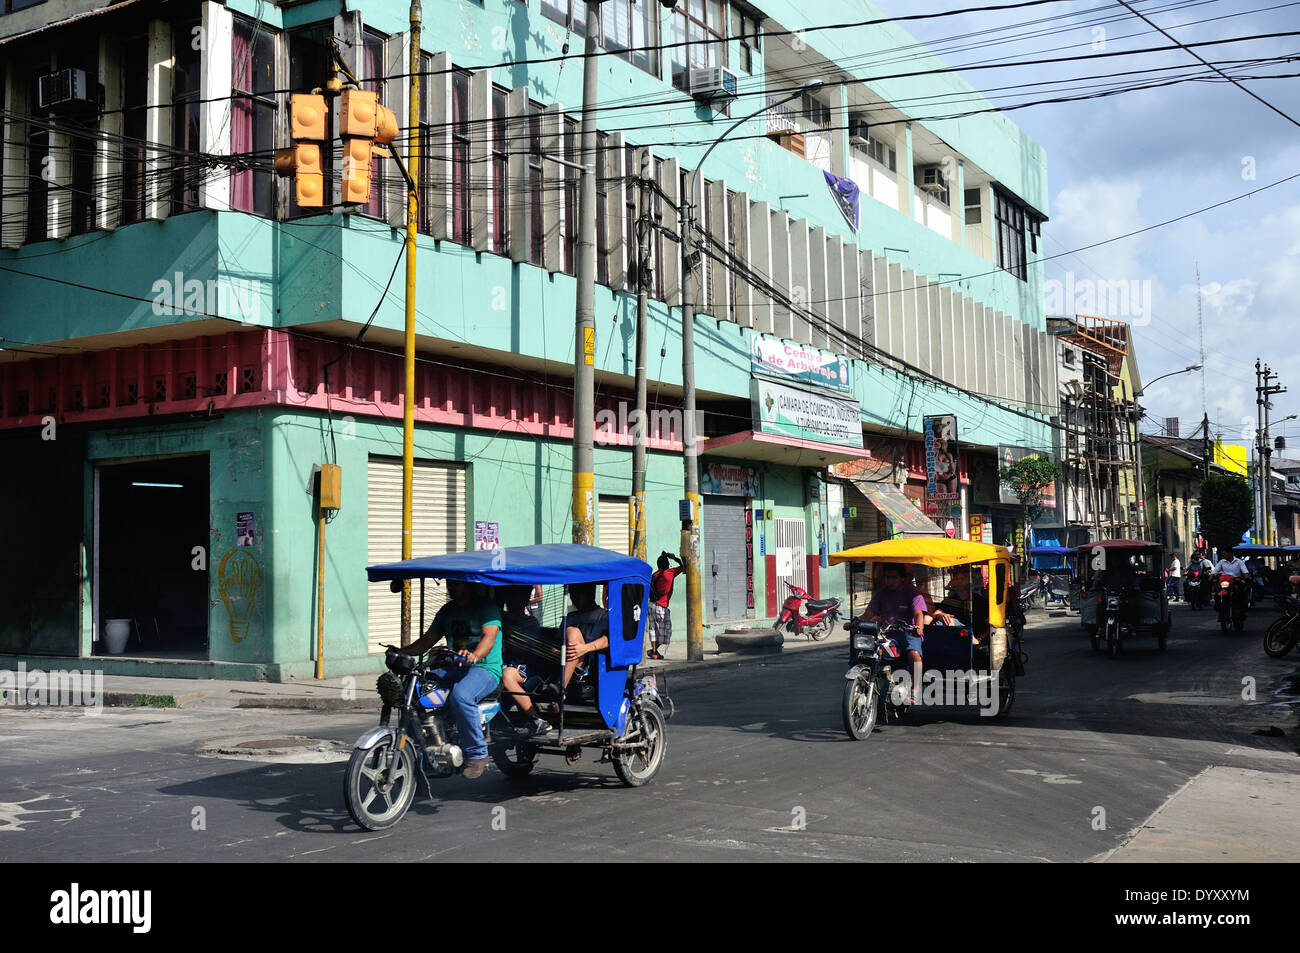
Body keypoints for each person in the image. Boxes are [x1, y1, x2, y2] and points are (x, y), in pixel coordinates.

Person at [403, 579, 503, 779]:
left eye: (456, 583)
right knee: (416, 690)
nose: (451, 587)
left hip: (484, 669)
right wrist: (400, 652)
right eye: (449, 583)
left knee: (461, 696)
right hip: (453, 667)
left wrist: (475, 655)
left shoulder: (488, 608)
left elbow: (489, 638)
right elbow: (426, 641)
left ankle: (477, 754)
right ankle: (421, 747)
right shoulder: (447, 611)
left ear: (470, 585)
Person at [848, 563, 926, 705]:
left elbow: (918, 613)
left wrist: (918, 628)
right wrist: (855, 623)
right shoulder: (881, 594)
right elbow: (868, 614)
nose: (890, 581)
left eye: (894, 577)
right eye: (887, 577)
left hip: (909, 633)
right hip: (887, 634)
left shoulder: (913, 593)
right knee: (872, 652)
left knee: (914, 654)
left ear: (902, 578)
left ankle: (916, 688)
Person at [497, 586, 556, 738]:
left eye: (517, 596)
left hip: (526, 667)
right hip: (499, 661)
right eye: (510, 596)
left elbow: (526, 649)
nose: (512, 601)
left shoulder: (530, 622)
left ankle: (535, 719)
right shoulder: (498, 617)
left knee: (507, 675)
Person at [563, 582, 609, 695]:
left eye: (578, 594)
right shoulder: (570, 617)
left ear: (590, 593)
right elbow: (557, 641)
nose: (574, 598)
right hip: (564, 662)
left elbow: (608, 639)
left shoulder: (604, 616)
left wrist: (585, 648)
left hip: (589, 668)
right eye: (572, 594)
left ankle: (561, 686)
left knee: (573, 632)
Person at [931, 566, 990, 643]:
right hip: (955, 638)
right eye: (956, 579)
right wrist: (941, 615)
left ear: (968, 580)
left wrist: (979, 640)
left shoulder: (979, 601)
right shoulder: (950, 600)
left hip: (975, 639)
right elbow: (936, 613)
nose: (959, 582)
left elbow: (990, 625)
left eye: (962, 579)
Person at [647, 551, 683, 660]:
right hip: (661, 606)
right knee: (665, 632)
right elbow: (683, 566)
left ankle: (653, 651)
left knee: (653, 628)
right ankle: (653, 650)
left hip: (651, 604)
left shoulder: (654, 575)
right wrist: (674, 557)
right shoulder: (670, 573)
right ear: (667, 564)